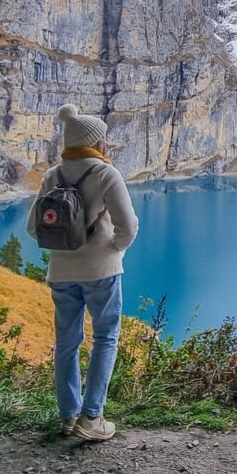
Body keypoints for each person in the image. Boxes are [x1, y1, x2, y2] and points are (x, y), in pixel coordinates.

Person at [35, 103, 138, 442]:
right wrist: (114, 249)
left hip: (62, 272)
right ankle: (91, 417)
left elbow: (33, 229)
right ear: (96, 142)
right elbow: (129, 225)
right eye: (103, 139)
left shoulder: (53, 175)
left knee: (66, 343)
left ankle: (67, 416)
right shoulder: (106, 174)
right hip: (102, 272)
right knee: (105, 337)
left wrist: (64, 247)